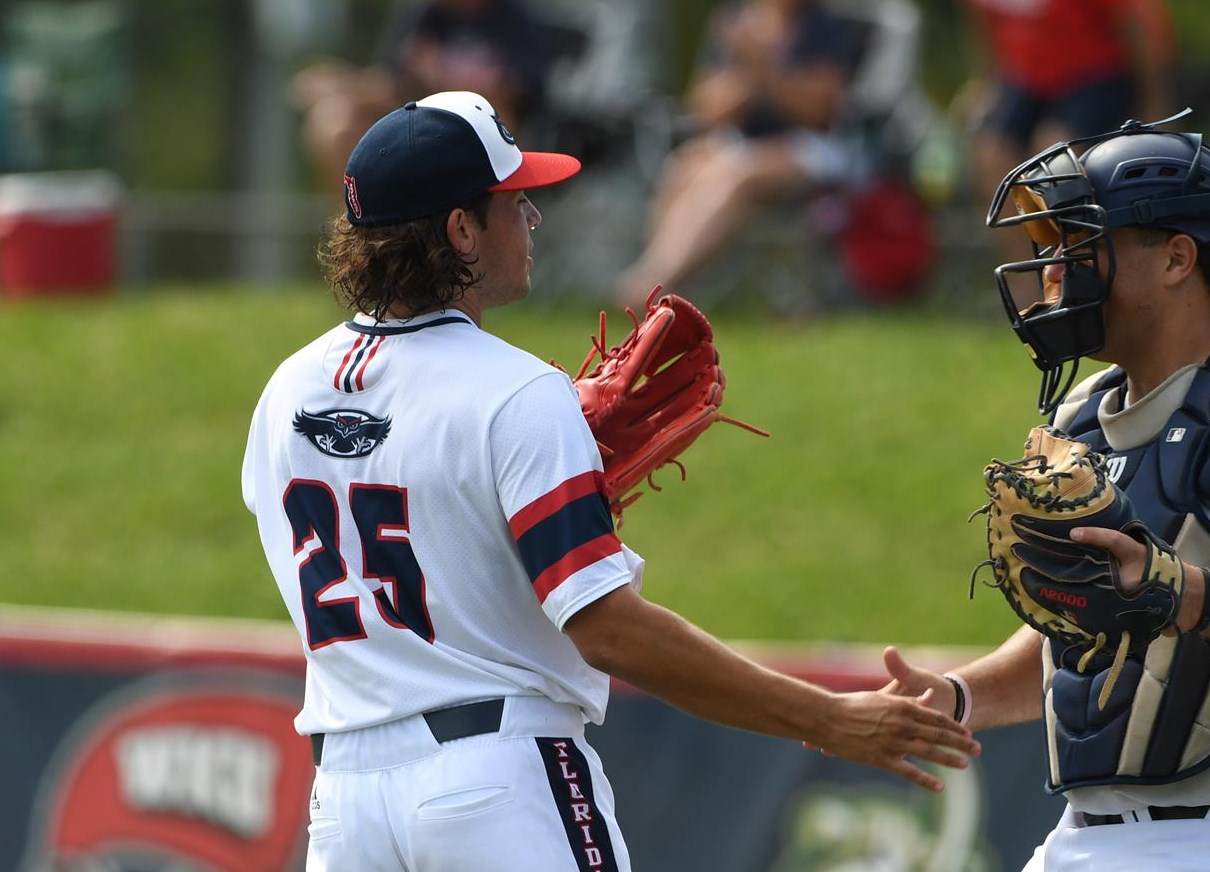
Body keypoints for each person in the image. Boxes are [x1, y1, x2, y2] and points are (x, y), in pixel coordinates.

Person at [240, 90, 978, 870]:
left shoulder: (286, 391)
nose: (532, 218)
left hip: (346, 805)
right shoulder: (517, 392)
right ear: (460, 230)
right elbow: (608, 630)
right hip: (494, 784)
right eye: (513, 201)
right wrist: (828, 718)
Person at [859, 122, 1210, 870]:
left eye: (1082, 243)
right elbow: (1088, 631)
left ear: (1178, 258)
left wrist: (1189, 594)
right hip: (1087, 836)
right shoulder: (1084, 417)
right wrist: (957, 699)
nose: (1055, 269)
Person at [612, 0, 869, 307]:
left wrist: (763, 67)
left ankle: (652, 286)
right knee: (688, 162)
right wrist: (747, 71)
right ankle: (660, 287)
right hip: (742, 142)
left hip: (812, 148)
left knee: (739, 174)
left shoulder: (824, 26)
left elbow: (818, 113)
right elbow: (706, 113)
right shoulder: (736, 23)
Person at [959, 0, 1176, 309]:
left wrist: (1154, 101)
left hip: (1096, 71)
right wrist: (987, 82)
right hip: (1029, 77)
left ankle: (1076, 275)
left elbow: (1135, 27)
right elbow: (983, 24)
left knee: (1053, 156)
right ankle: (1028, 280)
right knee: (991, 153)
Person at [291, 0, 555, 191]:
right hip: (420, 125)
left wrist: (440, 78)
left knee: (496, 119)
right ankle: (363, 227)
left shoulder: (516, 17)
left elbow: (520, 92)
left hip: (485, 130)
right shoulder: (424, 16)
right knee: (335, 122)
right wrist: (346, 86)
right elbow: (392, 83)